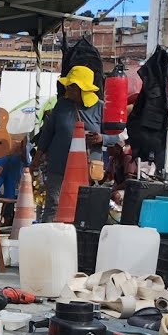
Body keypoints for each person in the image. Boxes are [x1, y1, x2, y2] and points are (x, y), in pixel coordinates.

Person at [30, 65, 101, 222]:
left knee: (82, 205)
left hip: (88, 169)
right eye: (68, 85)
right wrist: (36, 159)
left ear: (83, 88)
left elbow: (118, 136)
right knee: (53, 203)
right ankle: (47, 238)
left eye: (73, 86)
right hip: (58, 165)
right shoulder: (61, 105)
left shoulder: (99, 107)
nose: (68, 89)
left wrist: (102, 138)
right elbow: (47, 133)